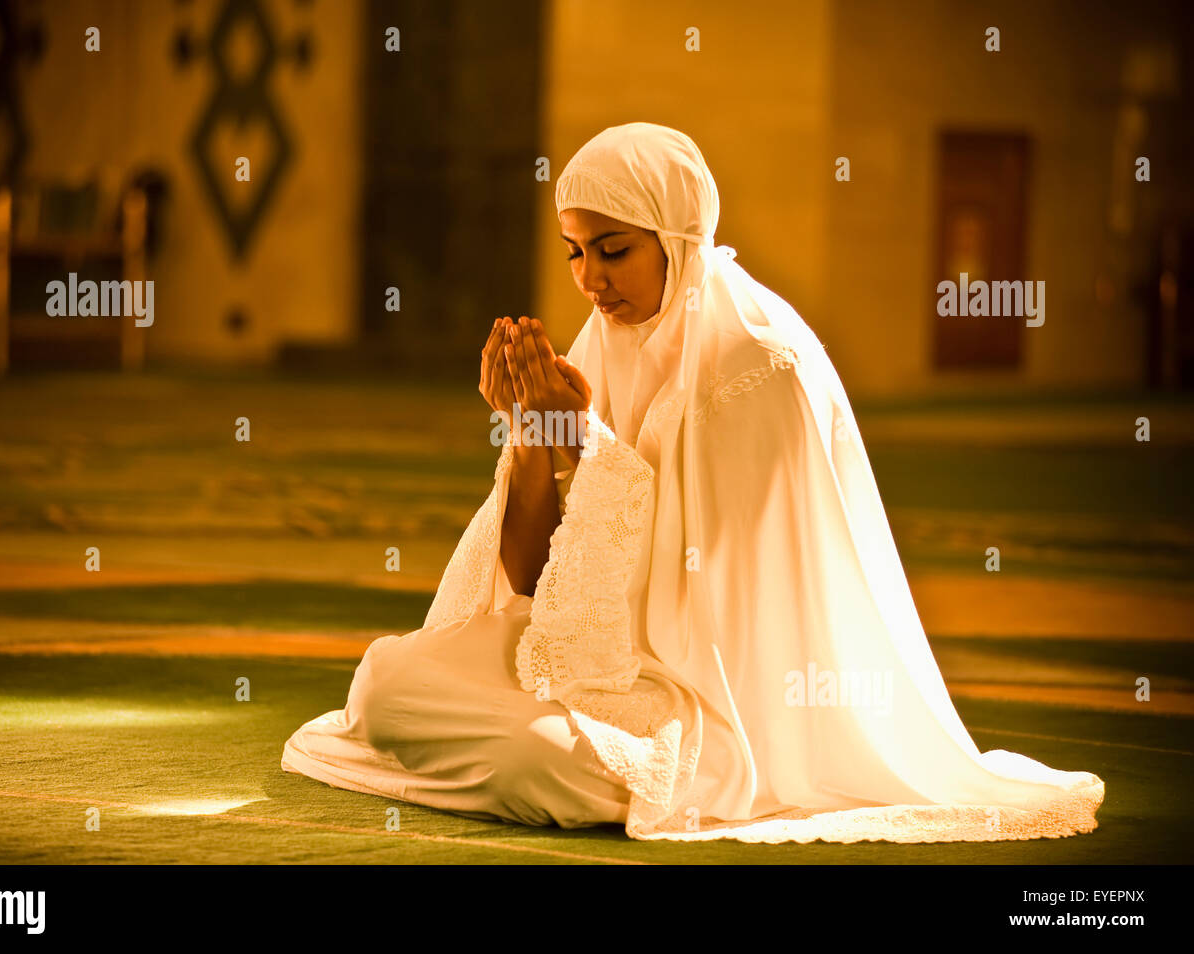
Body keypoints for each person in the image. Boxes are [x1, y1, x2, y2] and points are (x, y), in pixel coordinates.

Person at [282, 121, 1105, 843]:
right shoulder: (604, 341)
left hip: (710, 701)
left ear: (677, 238)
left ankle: (554, 766)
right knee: (386, 682)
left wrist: (587, 447)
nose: (590, 281)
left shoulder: (763, 365)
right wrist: (533, 438)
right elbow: (536, 588)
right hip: (595, 656)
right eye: (575, 252)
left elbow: (710, 611)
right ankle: (513, 754)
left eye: (614, 251)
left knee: (541, 761)